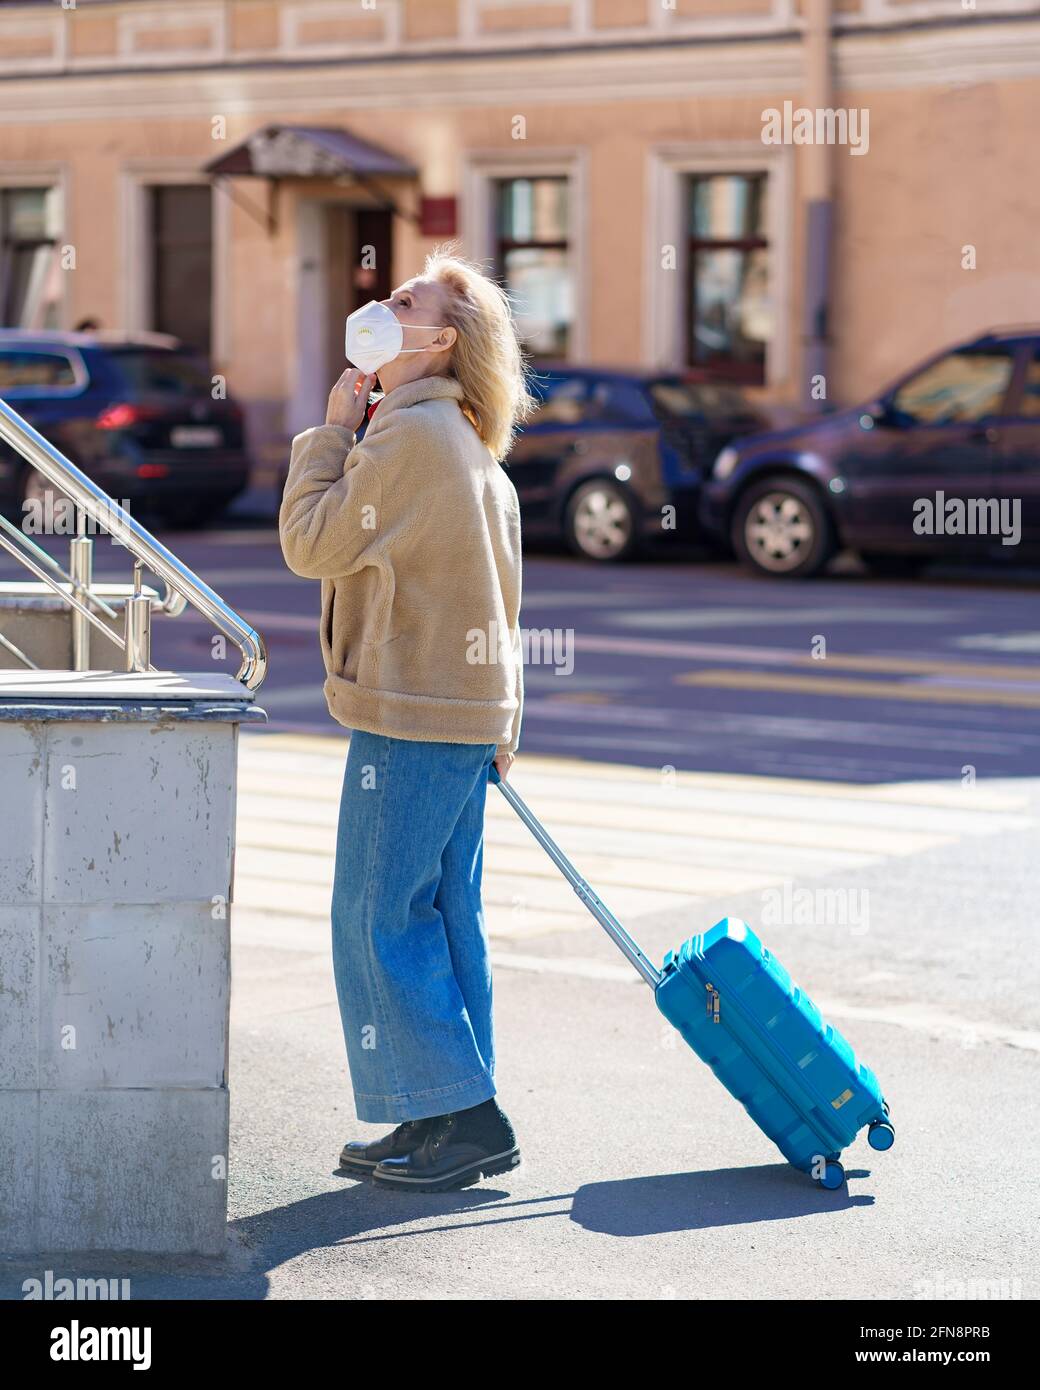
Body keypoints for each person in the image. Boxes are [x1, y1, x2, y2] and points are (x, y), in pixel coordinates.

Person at [279, 249, 533, 1193]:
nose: (380, 305)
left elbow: (310, 543)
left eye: (403, 299)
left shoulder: (408, 439)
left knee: (378, 914)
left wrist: (331, 431)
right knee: (438, 911)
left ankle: (461, 1116)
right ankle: (442, 1112)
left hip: (411, 710)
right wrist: (507, 720)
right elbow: (506, 596)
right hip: (458, 714)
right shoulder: (466, 443)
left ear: (440, 341)